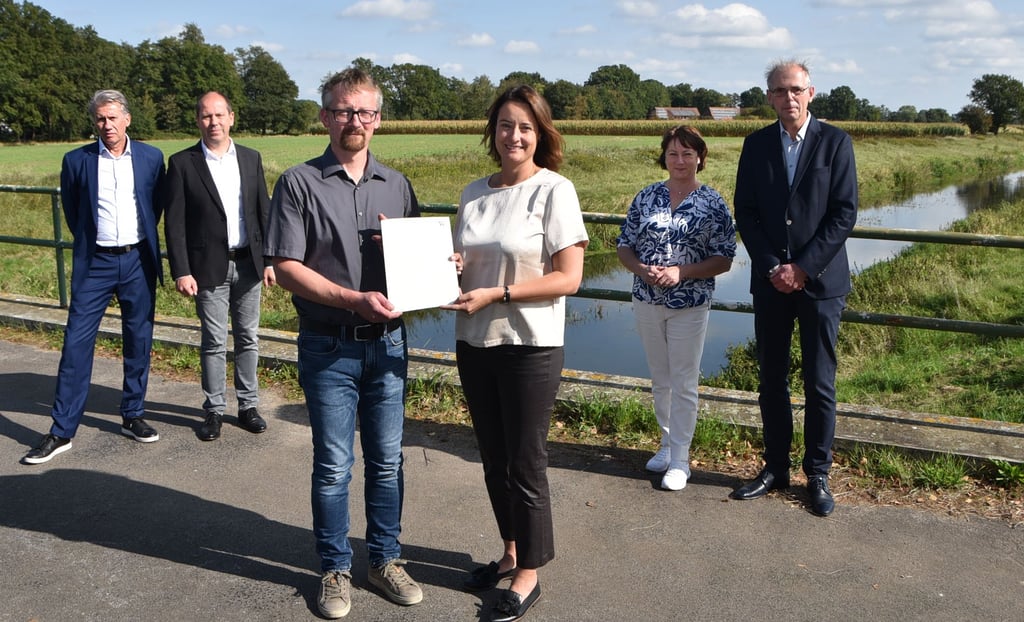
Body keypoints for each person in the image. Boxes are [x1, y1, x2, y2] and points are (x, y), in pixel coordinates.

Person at [264, 68, 422, 619]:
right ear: (325, 115)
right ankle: (335, 568)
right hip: (329, 345)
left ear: (378, 118)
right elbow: (285, 268)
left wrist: (438, 268)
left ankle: (385, 559)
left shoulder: (398, 185)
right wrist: (351, 298)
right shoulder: (298, 183)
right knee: (334, 465)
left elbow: (417, 261)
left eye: (365, 112)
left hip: (389, 346)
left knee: (387, 462)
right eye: (342, 110)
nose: (354, 121)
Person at [443, 85, 589, 622]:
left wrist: (500, 292)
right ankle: (509, 550)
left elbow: (568, 278)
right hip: (474, 341)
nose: (515, 136)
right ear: (493, 131)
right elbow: (464, 261)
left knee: (525, 462)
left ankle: (529, 573)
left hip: (530, 344)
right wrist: (448, 264)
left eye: (526, 127)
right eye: (506, 125)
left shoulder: (555, 191)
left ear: (541, 133)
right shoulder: (472, 193)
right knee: (493, 458)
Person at [731, 60, 858, 517]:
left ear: (811, 93)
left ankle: (818, 474)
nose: (789, 98)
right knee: (771, 379)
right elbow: (746, 211)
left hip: (820, 284)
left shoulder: (835, 143)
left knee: (819, 382)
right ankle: (776, 467)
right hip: (771, 284)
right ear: (769, 96)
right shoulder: (757, 144)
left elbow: (843, 213)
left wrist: (801, 268)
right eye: (780, 91)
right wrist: (772, 267)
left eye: (797, 90)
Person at [22, 90, 165, 465]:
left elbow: (155, 206)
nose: (108, 125)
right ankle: (62, 430)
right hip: (96, 263)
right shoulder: (76, 161)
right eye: (101, 119)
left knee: (139, 339)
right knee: (75, 344)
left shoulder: (151, 158)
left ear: (127, 119)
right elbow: (74, 212)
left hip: (137, 261)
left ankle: (132, 415)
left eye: (113, 118)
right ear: (94, 123)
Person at [616, 125, 735, 491]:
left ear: (700, 157)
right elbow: (625, 245)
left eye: (687, 153)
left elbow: (725, 257)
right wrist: (642, 270)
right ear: (663, 157)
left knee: (683, 381)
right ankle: (667, 445)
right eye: (672, 153)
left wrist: (680, 272)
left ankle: (682, 460)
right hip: (647, 300)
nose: (679, 160)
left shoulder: (712, 202)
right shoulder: (647, 196)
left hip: (690, 304)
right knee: (660, 378)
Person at [164, 91, 275, 441]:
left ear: (231, 118)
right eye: (206, 116)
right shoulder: (183, 163)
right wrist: (181, 270)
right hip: (207, 267)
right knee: (213, 340)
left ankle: (247, 406)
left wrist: (270, 260)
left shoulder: (251, 158)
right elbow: (175, 222)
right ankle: (213, 410)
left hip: (248, 264)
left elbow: (264, 212)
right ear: (198, 120)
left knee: (248, 338)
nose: (213, 122)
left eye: (219, 115)